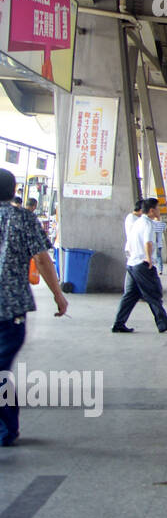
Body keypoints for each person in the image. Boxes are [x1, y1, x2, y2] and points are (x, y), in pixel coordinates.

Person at [0, 169, 68, 446]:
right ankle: (7, 427)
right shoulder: (23, 219)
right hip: (11, 307)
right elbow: (41, 259)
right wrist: (58, 295)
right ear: (13, 190)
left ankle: (6, 427)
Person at [113, 198, 167, 335]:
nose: (159, 211)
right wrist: (149, 259)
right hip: (142, 264)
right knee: (153, 293)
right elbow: (148, 243)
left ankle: (119, 324)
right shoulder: (148, 224)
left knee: (130, 296)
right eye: (157, 208)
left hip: (132, 264)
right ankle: (163, 323)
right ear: (151, 210)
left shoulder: (137, 222)